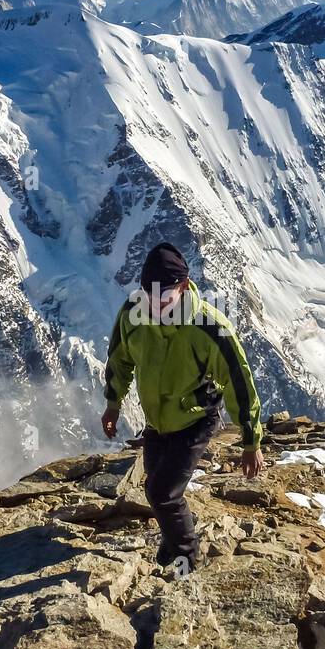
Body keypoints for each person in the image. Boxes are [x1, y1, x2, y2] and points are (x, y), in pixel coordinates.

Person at [101, 242, 264, 572]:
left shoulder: (209, 328)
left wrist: (251, 442)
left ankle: (186, 560)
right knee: (155, 489)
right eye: (149, 296)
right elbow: (120, 359)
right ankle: (170, 547)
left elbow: (239, 380)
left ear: (184, 287)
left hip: (195, 421)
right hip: (156, 422)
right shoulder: (133, 315)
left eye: (165, 297)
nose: (156, 305)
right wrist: (113, 404)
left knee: (162, 493)